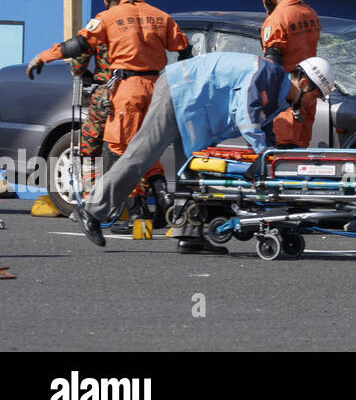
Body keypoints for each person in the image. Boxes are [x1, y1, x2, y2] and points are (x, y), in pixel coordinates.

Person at [74, 53, 333, 253]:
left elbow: (264, 129)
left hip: (196, 108)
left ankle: (190, 236)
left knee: (195, 170)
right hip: (180, 90)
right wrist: (263, 154)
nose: (315, 104)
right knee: (142, 154)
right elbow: (246, 113)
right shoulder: (267, 73)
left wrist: (270, 155)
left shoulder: (279, 95)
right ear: (304, 84)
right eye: (318, 97)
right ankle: (92, 210)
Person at [27, 0, 190, 223]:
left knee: (123, 150)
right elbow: (185, 51)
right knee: (149, 148)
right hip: (160, 89)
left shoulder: (107, 18)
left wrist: (43, 56)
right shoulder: (162, 17)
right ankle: (165, 200)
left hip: (126, 91)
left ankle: (137, 214)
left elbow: (77, 46)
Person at [66, 0, 120, 205]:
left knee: (90, 145)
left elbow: (77, 63)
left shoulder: (99, 24)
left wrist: (85, 75)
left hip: (105, 95)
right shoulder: (142, 22)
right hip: (140, 94)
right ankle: (136, 205)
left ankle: (91, 199)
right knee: (133, 148)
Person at [257, 0, 321, 148]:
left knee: (281, 154)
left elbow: (272, 63)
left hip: (287, 96)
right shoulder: (310, 13)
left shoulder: (276, 19)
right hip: (309, 94)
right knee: (300, 153)